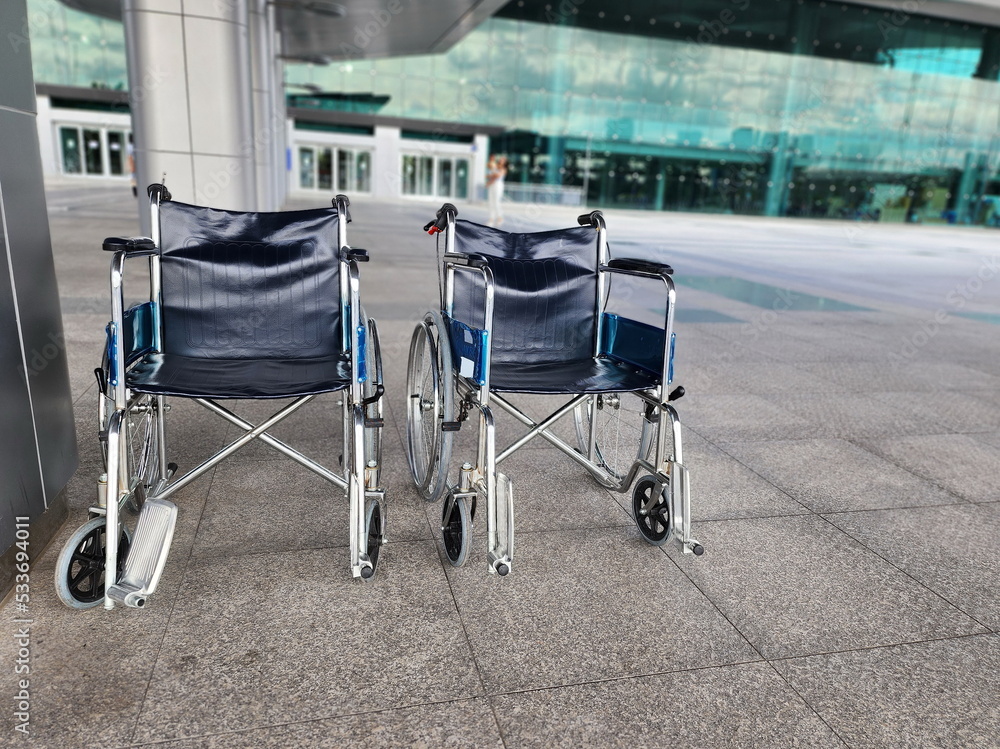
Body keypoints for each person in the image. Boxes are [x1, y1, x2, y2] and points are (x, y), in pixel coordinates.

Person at [486, 154, 507, 227]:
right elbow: (489, 176)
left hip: (498, 185)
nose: (501, 161)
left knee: (496, 202)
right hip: (492, 184)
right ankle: (491, 219)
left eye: (502, 160)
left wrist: (492, 175)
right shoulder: (495, 167)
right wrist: (489, 182)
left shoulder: (503, 169)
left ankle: (500, 218)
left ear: (504, 162)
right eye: (500, 159)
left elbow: (496, 176)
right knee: (491, 202)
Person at [127, 133, 137, 198]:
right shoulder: (130, 146)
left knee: (133, 178)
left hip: (134, 163)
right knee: (133, 178)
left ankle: (135, 191)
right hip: (133, 163)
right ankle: (135, 191)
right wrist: (132, 166)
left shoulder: (130, 146)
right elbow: (130, 157)